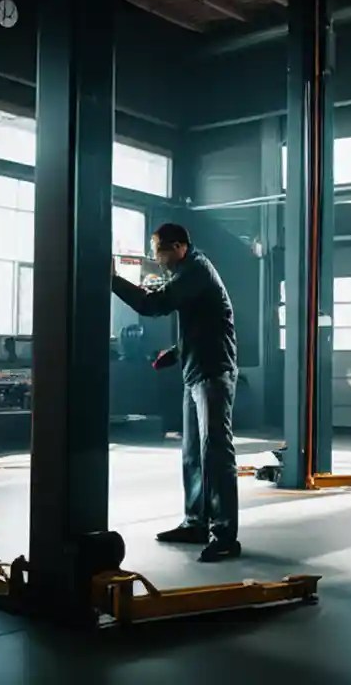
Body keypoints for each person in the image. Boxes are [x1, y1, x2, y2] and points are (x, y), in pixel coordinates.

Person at [111, 223, 240, 562]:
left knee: (216, 454)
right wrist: (178, 350)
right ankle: (196, 523)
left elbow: (153, 305)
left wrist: (110, 279)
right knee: (192, 454)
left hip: (213, 373)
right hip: (194, 371)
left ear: (180, 246)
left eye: (161, 253)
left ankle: (224, 534)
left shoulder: (195, 270)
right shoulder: (188, 270)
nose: (159, 260)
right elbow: (204, 320)